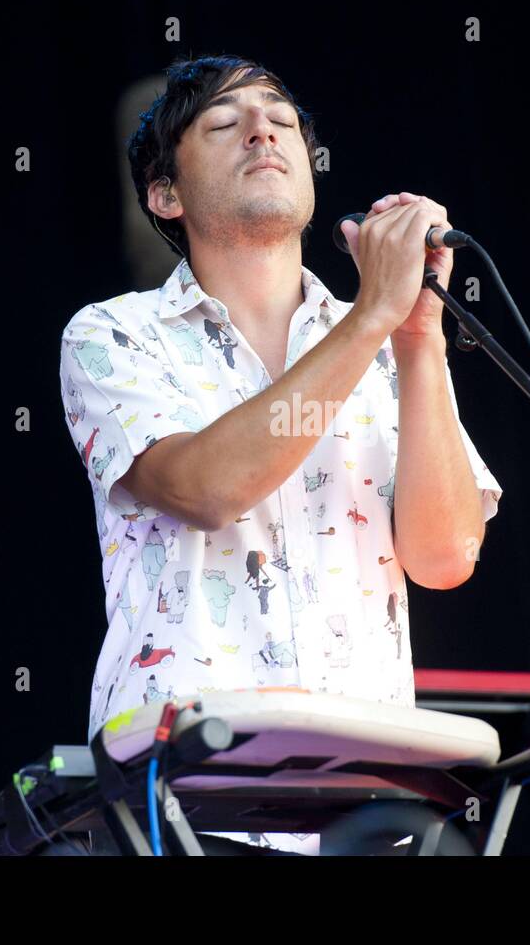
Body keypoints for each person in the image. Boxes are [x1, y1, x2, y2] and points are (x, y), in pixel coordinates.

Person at [59, 55, 503, 855]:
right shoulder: (114, 335)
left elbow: (445, 556)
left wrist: (416, 339)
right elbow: (207, 488)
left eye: (282, 120)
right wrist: (370, 317)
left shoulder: (383, 344)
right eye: (225, 124)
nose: (263, 129)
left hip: (363, 801)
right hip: (183, 801)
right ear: (167, 194)